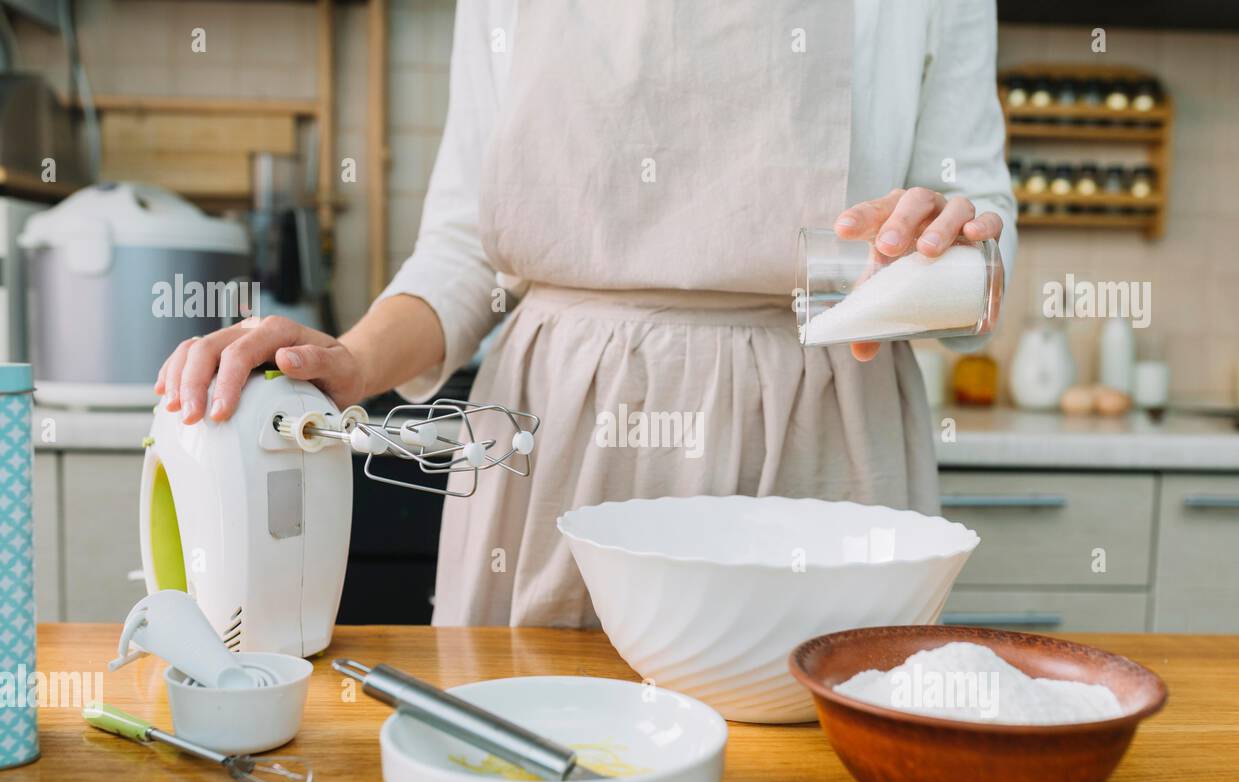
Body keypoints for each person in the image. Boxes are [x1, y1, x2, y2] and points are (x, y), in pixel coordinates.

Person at [155, 0, 1015, 628]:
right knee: (528, 762)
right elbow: (467, 252)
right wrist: (350, 360)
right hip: (558, 444)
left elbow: (981, 242)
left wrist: (951, 242)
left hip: (820, 443)